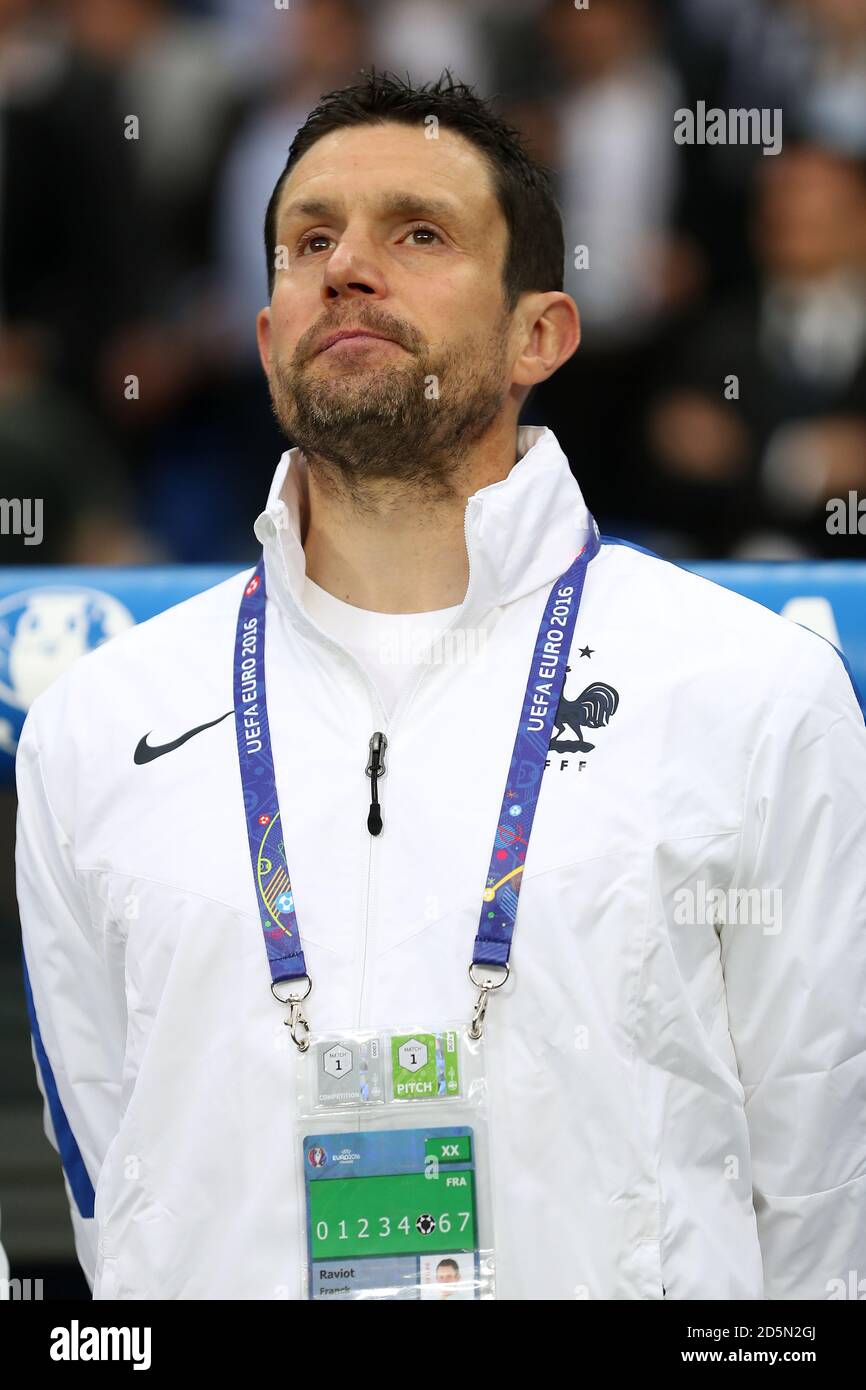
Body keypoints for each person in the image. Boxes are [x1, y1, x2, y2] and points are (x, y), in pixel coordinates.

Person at [15, 70, 866, 1301]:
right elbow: (114, 1173)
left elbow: (825, 1186)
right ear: (265, 344)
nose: (346, 267)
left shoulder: (751, 689)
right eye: (309, 239)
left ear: (541, 335)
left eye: (417, 232)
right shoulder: (95, 724)